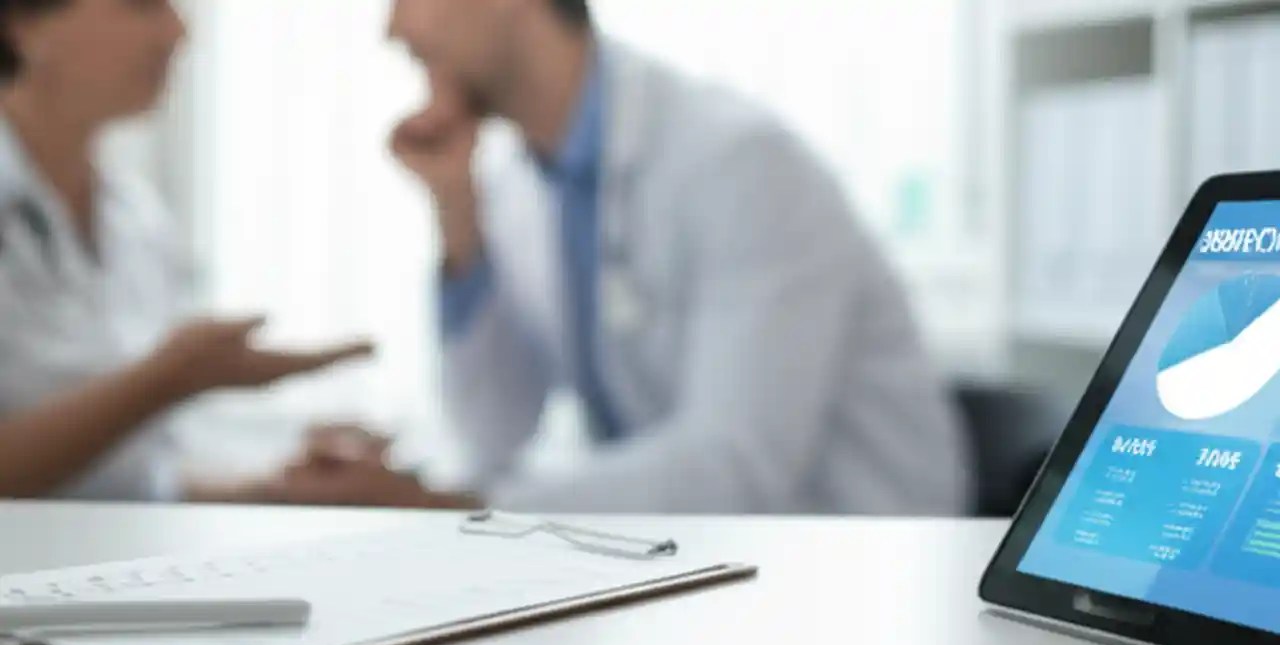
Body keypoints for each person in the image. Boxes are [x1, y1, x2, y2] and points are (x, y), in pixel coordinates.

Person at [279, 0, 967, 514]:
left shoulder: (740, 163)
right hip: (704, 568)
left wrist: (451, 508)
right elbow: (496, 430)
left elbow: (735, 469)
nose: (394, 30)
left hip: (857, 576)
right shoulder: (525, 182)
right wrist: (456, 210)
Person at [0, 0, 373, 502]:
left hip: (105, 566)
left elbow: (135, 476)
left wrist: (274, 486)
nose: (178, 31)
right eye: (142, 6)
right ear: (24, 25)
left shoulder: (136, 218)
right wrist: (165, 380)